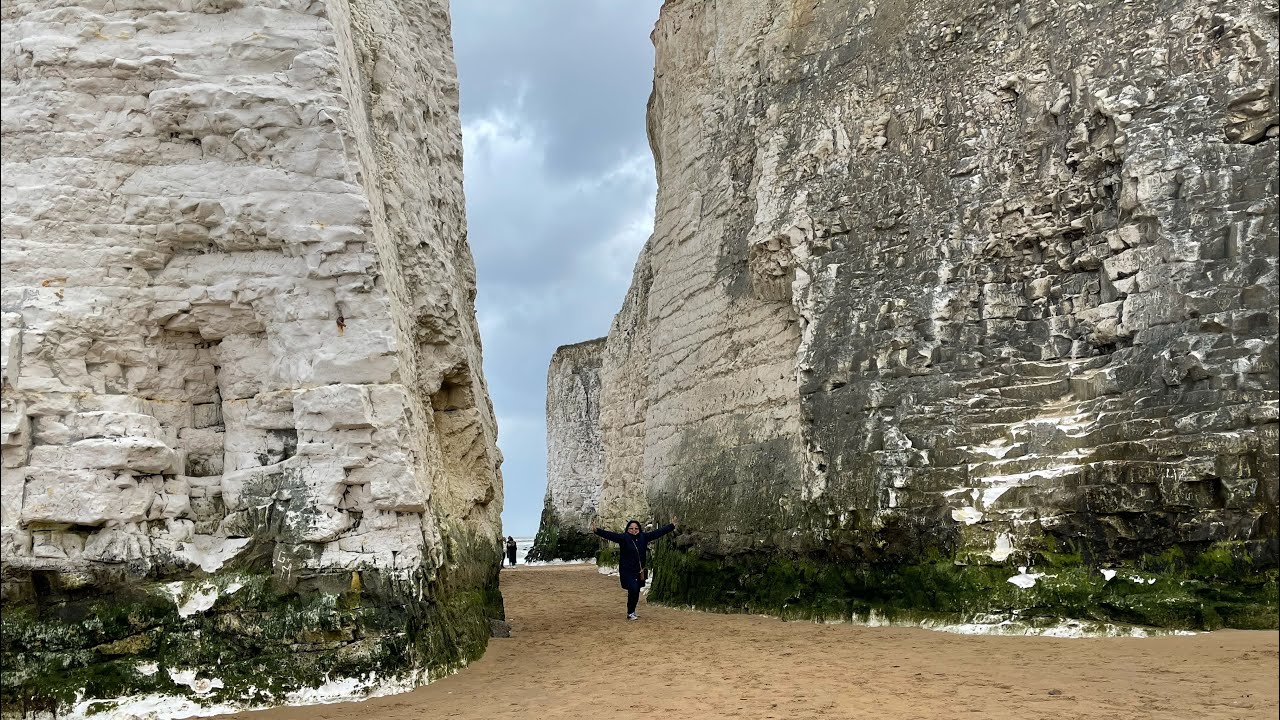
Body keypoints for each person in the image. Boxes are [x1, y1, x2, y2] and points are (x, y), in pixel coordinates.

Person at [591, 517, 677, 620]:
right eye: (631, 528)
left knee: (636, 591)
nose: (634, 530)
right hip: (627, 570)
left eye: (636, 528)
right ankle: (630, 612)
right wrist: (597, 531)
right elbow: (610, 535)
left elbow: (657, 533)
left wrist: (671, 526)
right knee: (633, 588)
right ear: (627, 529)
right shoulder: (623, 538)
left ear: (639, 529)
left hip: (639, 570)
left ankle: (632, 611)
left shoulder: (643, 537)